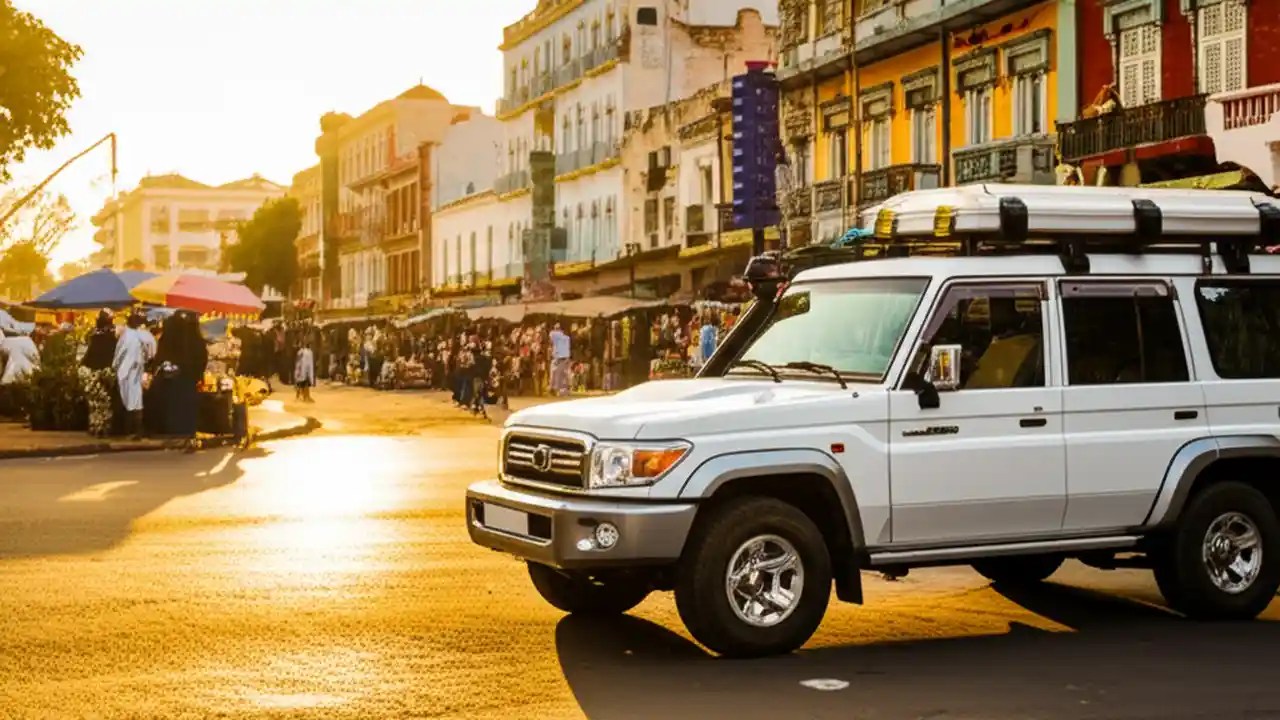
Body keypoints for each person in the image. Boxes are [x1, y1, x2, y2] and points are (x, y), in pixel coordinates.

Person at [113, 310, 153, 439]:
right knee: (136, 400)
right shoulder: (143, 335)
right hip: (136, 370)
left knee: (128, 400)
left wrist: (115, 366)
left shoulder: (126, 336)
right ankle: (136, 429)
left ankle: (130, 430)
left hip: (126, 372)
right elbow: (151, 351)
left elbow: (119, 353)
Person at [549, 322, 571, 396]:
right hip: (556, 358)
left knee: (561, 376)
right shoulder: (556, 337)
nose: (556, 330)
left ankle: (560, 390)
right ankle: (553, 389)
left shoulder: (565, 338)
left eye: (557, 328)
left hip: (562, 359)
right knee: (554, 375)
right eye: (555, 328)